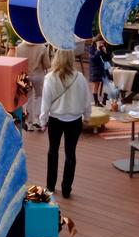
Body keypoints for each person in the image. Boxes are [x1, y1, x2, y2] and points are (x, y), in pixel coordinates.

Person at [41, 49, 91, 199]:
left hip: (55, 119)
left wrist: (43, 121)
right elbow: (86, 99)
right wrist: (87, 116)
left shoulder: (50, 77)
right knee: (71, 154)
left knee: (53, 151)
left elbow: (45, 102)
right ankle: (66, 189)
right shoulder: (80, 77)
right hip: (75, 120)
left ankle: (50, 186)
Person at [16, 39, 52, 130]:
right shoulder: (42, 47)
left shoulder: (19, 48)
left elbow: (16, 63)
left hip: (25, 75)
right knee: (40, 96)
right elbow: (47, 65)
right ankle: (38, 119)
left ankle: (28, 121)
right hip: (38, 74)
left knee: (27, 98)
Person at [88, 40, 111, 105]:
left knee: (107, 83)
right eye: (100, 42)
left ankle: (105, 99)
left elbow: (108, 58)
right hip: (95, 68)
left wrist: (105, 52)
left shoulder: (103, 47)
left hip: (104, 68)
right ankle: (96, 101)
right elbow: (93, 59)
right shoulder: (91, 48)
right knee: (96, 85)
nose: (102, 44)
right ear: (96, 41)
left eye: (103, 42)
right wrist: (98, 50)